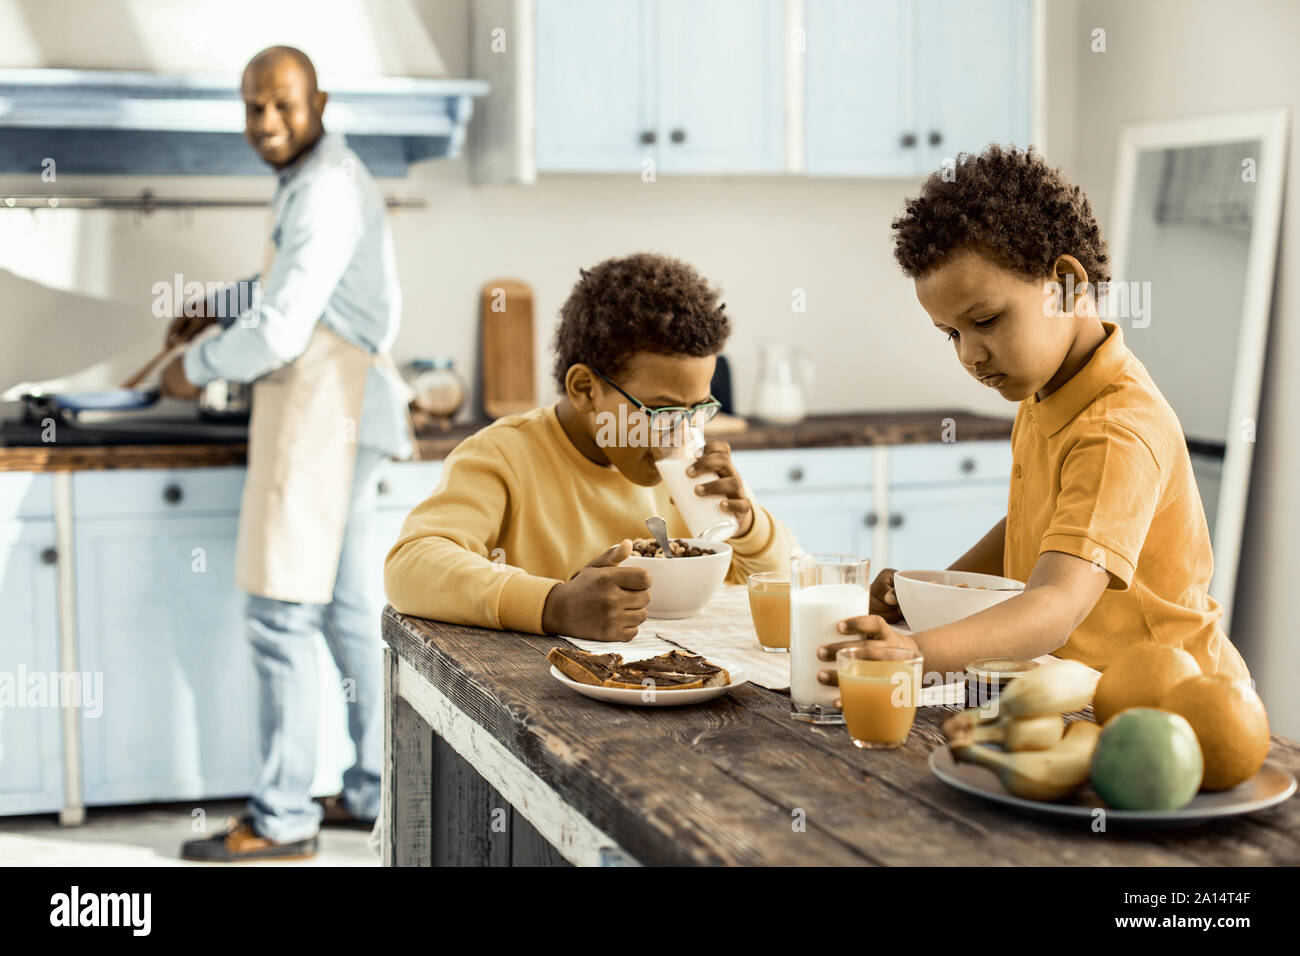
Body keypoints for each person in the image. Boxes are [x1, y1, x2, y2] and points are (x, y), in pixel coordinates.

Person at [818, 145, 1250, 691]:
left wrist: (918, 651)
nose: (969, 356)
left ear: (1066, 285)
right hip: (1075, 689)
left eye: (987, 321)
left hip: (1169, 704)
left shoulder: (1116, 430)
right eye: (952, 334)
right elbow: (1033, 530)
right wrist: (926, 592)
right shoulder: (1044, 392)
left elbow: (1057, 601)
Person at [161, 46, 415, 862]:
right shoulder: (320, 181)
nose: (265, 122)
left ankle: (280, 822)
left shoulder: (327, 188)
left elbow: (280, 329)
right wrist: (216, 303)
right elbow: (295, 288)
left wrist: (189, 368)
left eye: (281, 104)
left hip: (323, 417)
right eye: (251, 107)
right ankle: (377, 790)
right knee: (345, 614)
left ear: (320, 100)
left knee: (280, 616)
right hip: (344, 417)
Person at [385, 253, 797, 640]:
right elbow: (412, 566)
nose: (682, 431)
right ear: (585, 389)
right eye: (659, 410)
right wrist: (553, 605)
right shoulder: (504, 457)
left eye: (696, 409)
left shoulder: (693, 479)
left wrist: (749, 527)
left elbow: (792, 586)